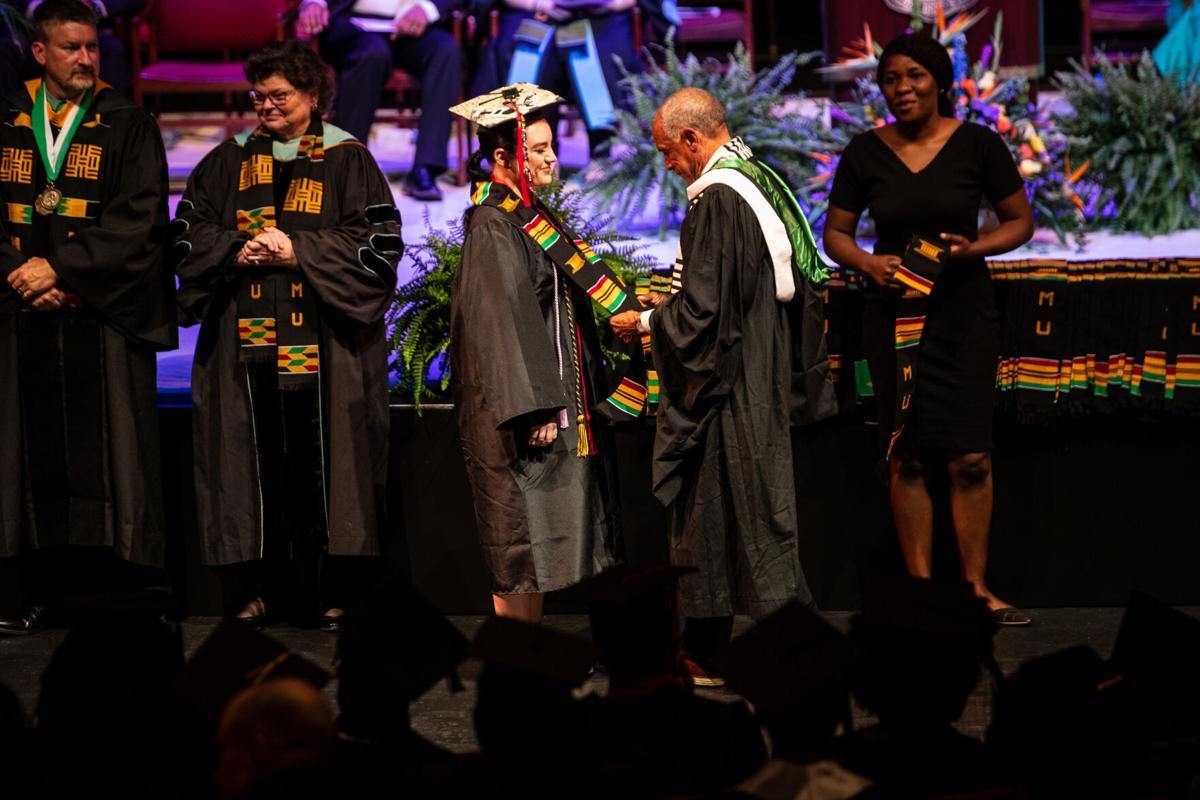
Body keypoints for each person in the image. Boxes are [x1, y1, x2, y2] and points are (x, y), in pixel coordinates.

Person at [173, 39, 402, 632]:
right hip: (244, 350)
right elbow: (185, 233)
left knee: (329, 471)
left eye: (280, 96)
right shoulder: (228, 161)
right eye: (260, 95)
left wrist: (298, 249)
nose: (267, 106)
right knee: (251, 469)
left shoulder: (348, 159)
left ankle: (334, 595)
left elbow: (378, 248)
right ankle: (258, 593)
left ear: (313, 95)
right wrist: (235, 246)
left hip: (326, 349)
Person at [609, 87, 830, 684]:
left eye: (667, 151)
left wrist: (650, 320)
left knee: (723, 513)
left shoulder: (717, 201)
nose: (667, 165)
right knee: (746, 512)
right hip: (754, 367)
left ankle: (736, 652)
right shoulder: (755, 177)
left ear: (691, 138)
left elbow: (703, 315)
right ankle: (742, 648)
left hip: (725, 387)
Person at [822, 33, 1034, 625]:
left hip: (964, 314)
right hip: (892, 319)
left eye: (914, 76)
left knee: (970, 458)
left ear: (938, 80)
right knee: (907, 456)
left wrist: (975, 248)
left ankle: (974, 590)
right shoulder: (865, 152)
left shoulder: (978, 145)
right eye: (891, 79)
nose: (902, 88)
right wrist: (867, 262)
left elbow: (1020, 221)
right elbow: (835, 234)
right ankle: (919, 596)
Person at [0, 0, 174, 636]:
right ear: (39, 53)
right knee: (22, 453)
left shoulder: (127, 121)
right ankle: (29, 588)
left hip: (98, 314)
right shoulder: (8, 117)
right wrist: (19, 275)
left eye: (91, 47)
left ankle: (115, 589)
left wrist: (63, 272)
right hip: (19, 313)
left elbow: (141, 217)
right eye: (70, 48)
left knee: (116, 460)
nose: (85, 59)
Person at [449, 83, 634, 623]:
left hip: (550, 406)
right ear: (504, 157)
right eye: (539, 149)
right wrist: (533, 407)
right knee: (518, 542)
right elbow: (499, 323)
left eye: (551, 146)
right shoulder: (492, 226)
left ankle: (525, 655)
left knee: (538, 544)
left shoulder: (528, 217)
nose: (553, 156)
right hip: (522, 412)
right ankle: (517, 659)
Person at [296, 0, 463, 201]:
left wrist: (427, 9)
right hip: (353, 23)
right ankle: (346, 166)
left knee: (445, 49)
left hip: (414, 22)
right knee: (372, 53)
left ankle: (426, 168)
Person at [474, 0, 672, 155]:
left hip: (602, 17)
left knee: (603, 54)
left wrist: (611, 4)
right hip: (536, 13)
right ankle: (536, 150)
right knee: (531, 55)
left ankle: (601, 150)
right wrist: (538, 4)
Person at [17, 0, 145, 98]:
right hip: (31, 31)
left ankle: (111, 119)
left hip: (94, 30)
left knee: (114, 50)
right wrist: (44, 8)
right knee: (7, 48)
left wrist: (95, 6)